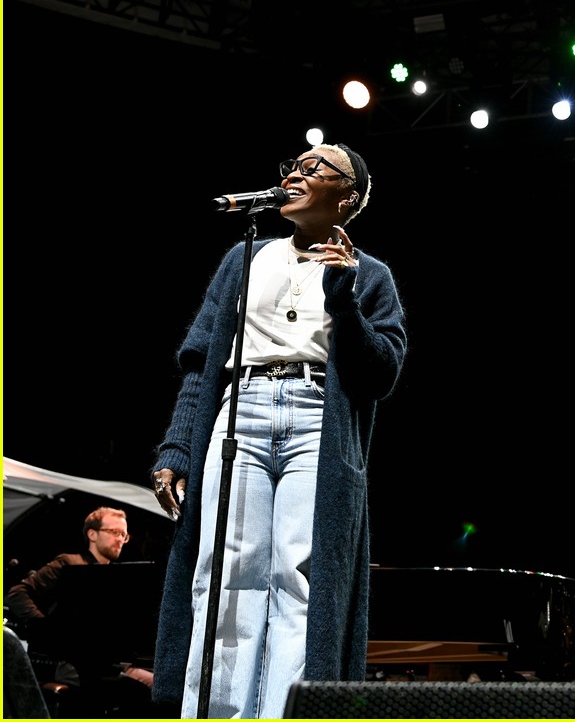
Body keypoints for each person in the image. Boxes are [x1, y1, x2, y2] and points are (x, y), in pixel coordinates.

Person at [148, 143, 408, 718]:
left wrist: (344, 301)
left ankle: (282, 716)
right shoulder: (244, 258)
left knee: (299, 580)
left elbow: (382, 372)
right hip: (242, 407)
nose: (295, 173)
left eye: (315, 168)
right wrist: (178, 443)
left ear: (349, 196)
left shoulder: (369, 274)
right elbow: (200, 361)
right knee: (226, 571)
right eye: (292, 165)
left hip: (318, 416)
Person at [4, 507, 155, 712]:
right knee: (150, 688)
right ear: (92, 534)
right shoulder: (69, 563)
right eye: (114, 532)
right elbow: (17, 593)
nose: (120, 539)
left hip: (112, 661)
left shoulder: (120, 578)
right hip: (76, 664)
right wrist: (46, 627)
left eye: (124, 535)